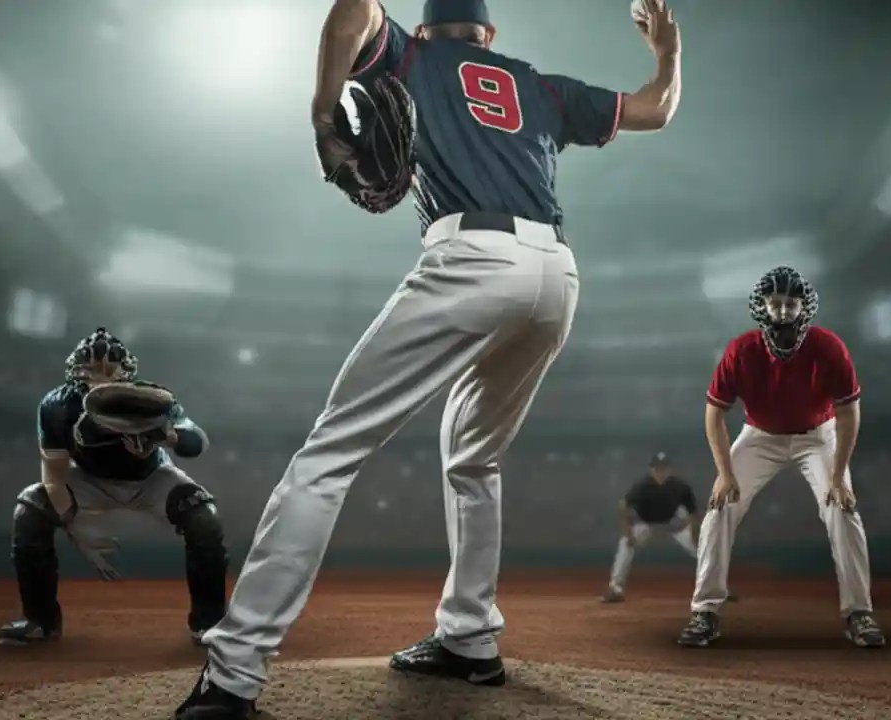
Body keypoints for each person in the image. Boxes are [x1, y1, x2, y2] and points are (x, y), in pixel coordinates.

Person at [175, 0, 682, 716]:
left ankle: (232, 673)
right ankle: (469, 637)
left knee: (329, 453)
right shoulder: (538, 85)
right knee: (473, 457)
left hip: (471, 258)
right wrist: (668, 52)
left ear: (422, 29)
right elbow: (656, 109)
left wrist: (323, 116)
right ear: (489, 35)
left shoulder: (409, 58)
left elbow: (354, 9)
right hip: (555, 276)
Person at [676, 267, 886, 649]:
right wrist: (725, 474)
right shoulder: (741, 350)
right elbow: (714, 413)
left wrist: (838, 476)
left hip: (818, 436)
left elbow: (849, 413)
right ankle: (704, 611)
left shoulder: (828, 347)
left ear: (805, 307)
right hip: (760, 436)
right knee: (720, 508)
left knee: (842, 509)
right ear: (763, 306)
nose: (784, 311)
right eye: (776, 303)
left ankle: (859, 612)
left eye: (791, 303)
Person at [0, 328, 228, 647]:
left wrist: (168, 436)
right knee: (30, 509)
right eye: (94, 369)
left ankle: (210, 623)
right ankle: (40, 620)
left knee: (203, 517)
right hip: (88, 478)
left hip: (151, 477)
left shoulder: (150, 399)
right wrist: (76, 529)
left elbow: (197, 442)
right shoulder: (58, 406)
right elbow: (54, 473)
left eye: (109, 369)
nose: (101, 377)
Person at [601, 452, 703, 603]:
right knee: (625, 544)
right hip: (646, 523)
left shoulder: (680, 486)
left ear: (669, 470)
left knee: (703, 549)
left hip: (673, 523)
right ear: (651, 470)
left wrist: (695, 534)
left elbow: (693, 513)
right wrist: (628, 533)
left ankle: (714, 589)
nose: (660, 472)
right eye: (657, 469)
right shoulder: (642, 486)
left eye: (663, 468)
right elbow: (623, 507)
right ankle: (615, 588)